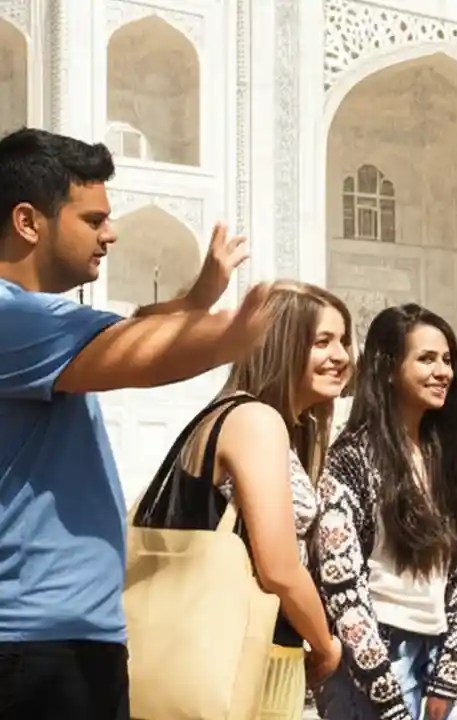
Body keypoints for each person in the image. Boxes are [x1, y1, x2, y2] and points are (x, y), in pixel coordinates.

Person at [0, 127, 272, 719]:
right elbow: (135, 356)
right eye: (93, 219)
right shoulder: (10, 316)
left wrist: (198, 297)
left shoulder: (39, 322)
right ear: (29, 221)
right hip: (32, 647)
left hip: (64, 640)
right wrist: (232, 335)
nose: (111, 233)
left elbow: (129, 330)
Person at [135, 281, 353, 717]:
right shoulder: (255, 419)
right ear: (282, 345)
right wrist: (326, 645)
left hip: (227, 652)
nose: (342, 357)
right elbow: (279, 568)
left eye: (344, 340)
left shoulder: (230, 415)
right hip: (243, 655)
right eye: (322, 342)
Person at [314, 305, 457, 720]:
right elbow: (342, 586)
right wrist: (385, 693)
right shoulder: (351, 458)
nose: (443, 371)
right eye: (426, 359)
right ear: (388, 368)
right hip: (372, 660)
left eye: (447, 360)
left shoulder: (447, 456)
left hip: (433, 650)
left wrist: (448, 672)